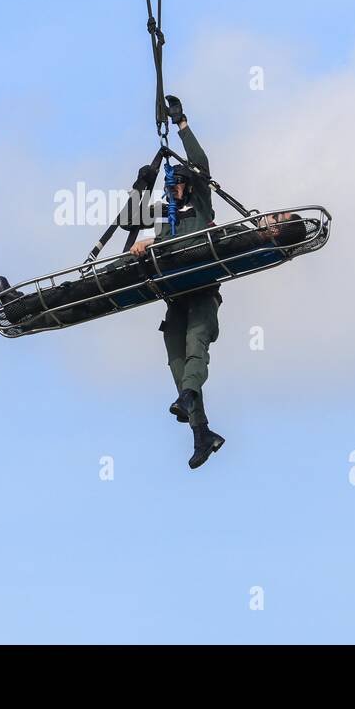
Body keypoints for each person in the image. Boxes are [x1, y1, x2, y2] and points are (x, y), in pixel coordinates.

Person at [129, 96, 225, 469]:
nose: (171, 191)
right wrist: (146, 241)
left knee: (195, 344)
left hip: (201, 288)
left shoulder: (200, 206)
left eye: (175, 185)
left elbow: (200, 164)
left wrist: (182, 124)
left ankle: (191, 402)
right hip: (176, 294)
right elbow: (138, 227)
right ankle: (201, 430)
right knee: (175, 357)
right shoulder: (166, 221)